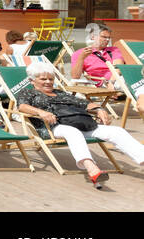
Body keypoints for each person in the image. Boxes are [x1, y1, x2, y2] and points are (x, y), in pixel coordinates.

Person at [15, 60, 144, 188]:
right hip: (52, 127)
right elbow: (22, 106)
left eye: (51, 79)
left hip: (80, 123)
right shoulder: (27, 93)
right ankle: (92, 169)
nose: (48, 82)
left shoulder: (60, 92)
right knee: (73, 132)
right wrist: (40, 112)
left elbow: (84, 103)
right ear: (32, 81)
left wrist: (99, 110)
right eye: (43, 79)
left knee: (117, 131)